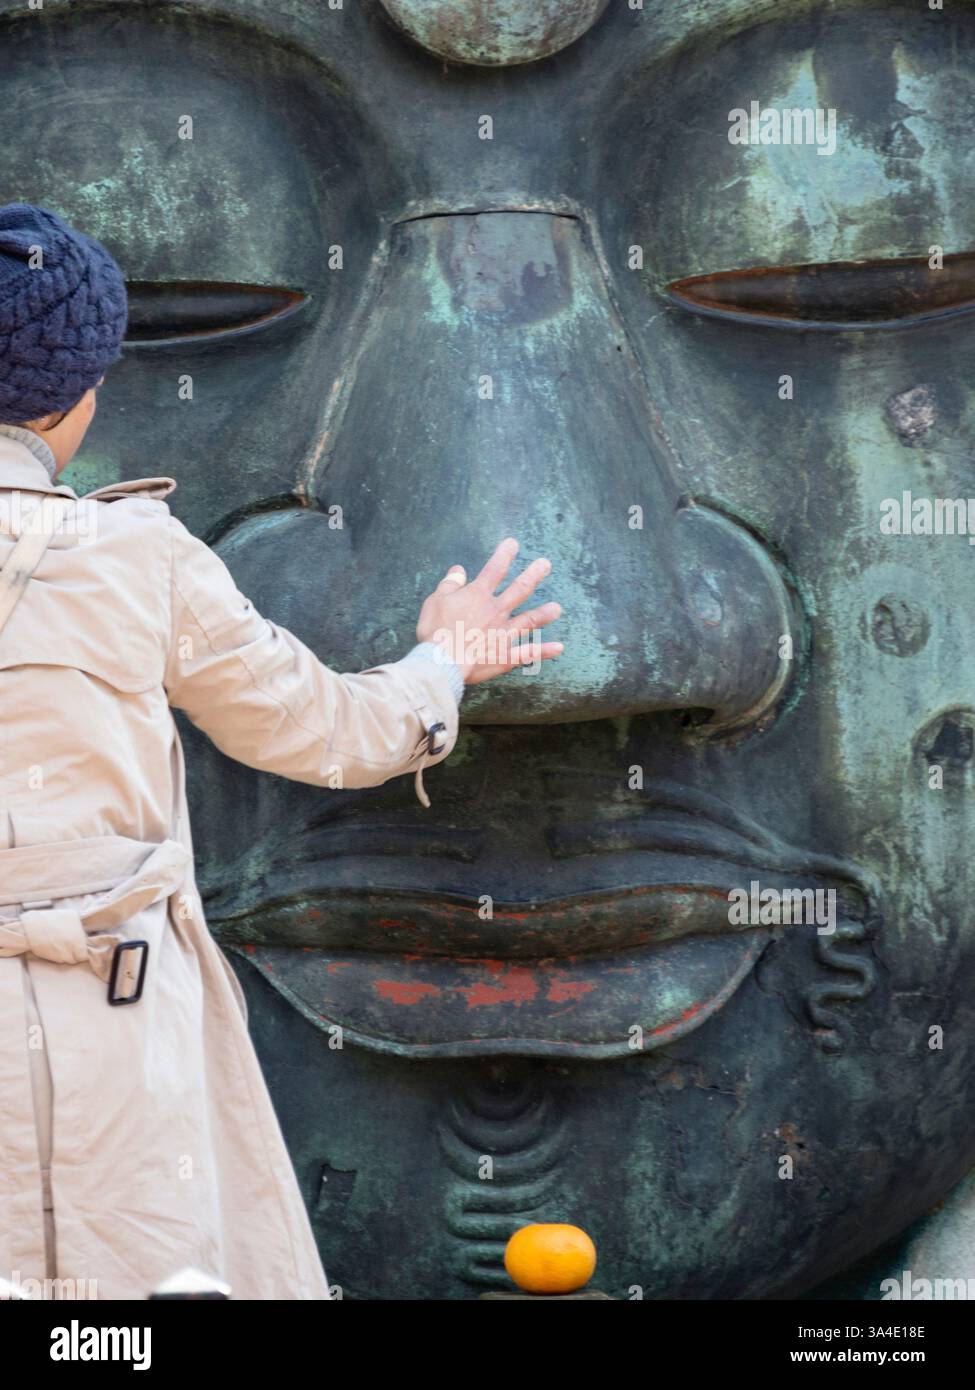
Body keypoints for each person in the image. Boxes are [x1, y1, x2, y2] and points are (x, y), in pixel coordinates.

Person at [0, 202, 563, 1300]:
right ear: (74, 395)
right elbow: (326, 730)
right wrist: (443, 661)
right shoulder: (136, 556)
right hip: (112, 1025)